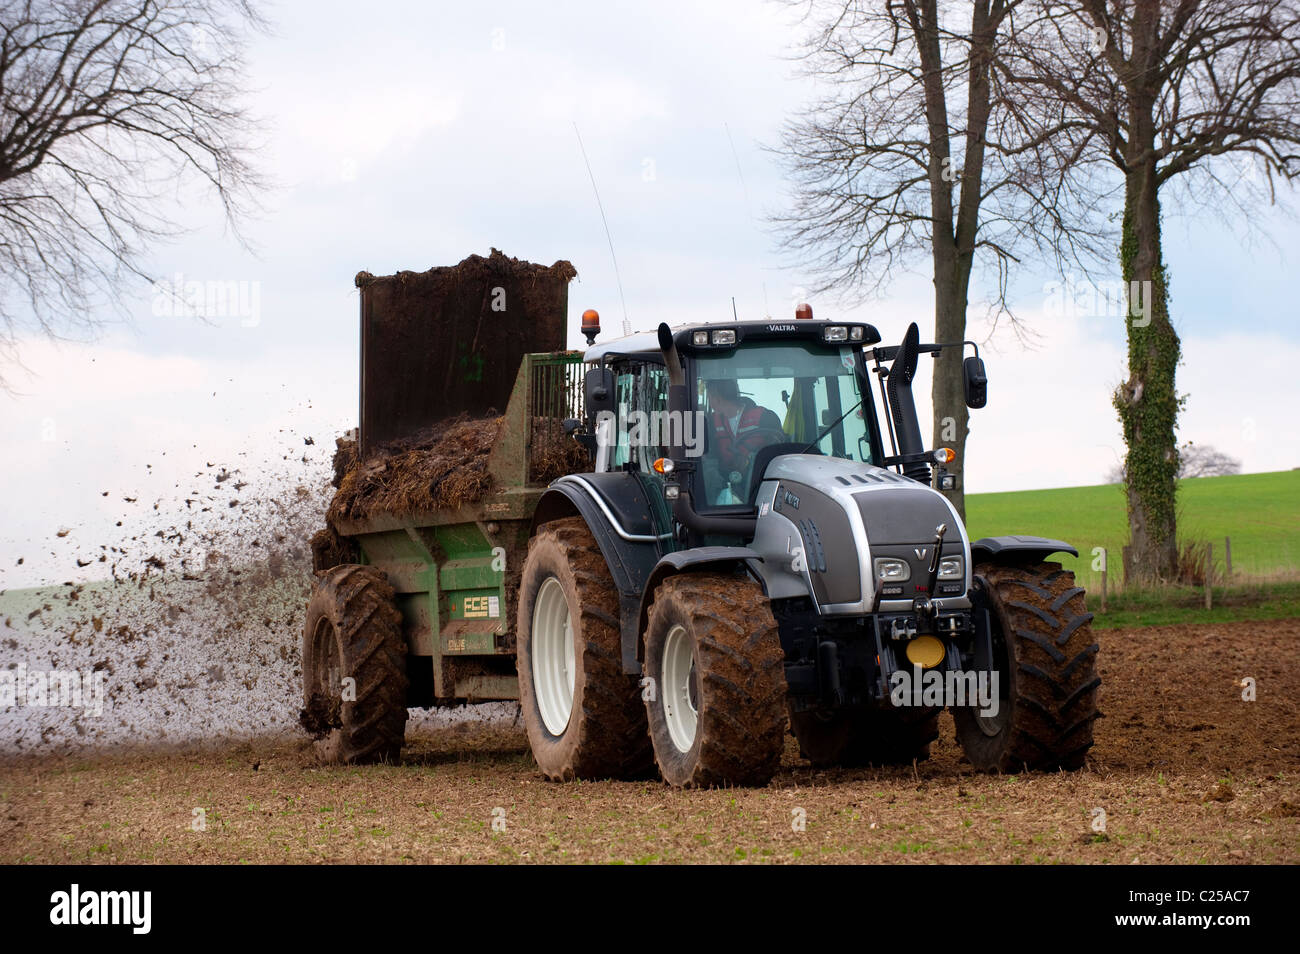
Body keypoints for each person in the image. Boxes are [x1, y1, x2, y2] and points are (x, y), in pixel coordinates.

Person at [706, 379, 786, 480]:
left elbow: (779, 451)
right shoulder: (711, 423)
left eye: (709, 398)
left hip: (759, 479)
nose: (710, 404)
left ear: (717, 399)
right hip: (723, 482)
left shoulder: (765, 417)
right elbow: (709, 456)